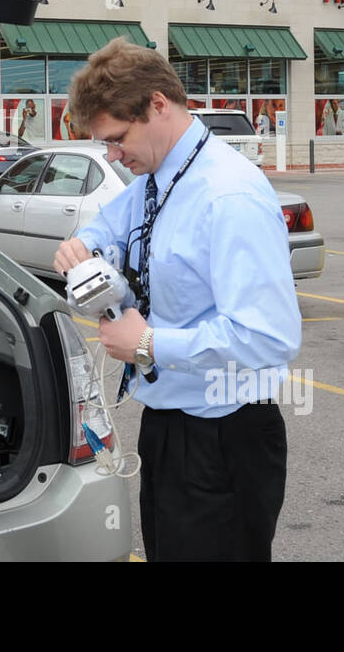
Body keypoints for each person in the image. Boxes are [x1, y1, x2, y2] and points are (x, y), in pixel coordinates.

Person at [53, 39, 300, 561]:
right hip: (169, 424)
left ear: (158, 105)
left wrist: (147, 341)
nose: (115, 156)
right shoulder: (158, 178)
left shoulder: (228, 195)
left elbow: (269, 336)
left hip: (222, 435)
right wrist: (86, 247)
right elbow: (111, 224)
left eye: (118, 140)